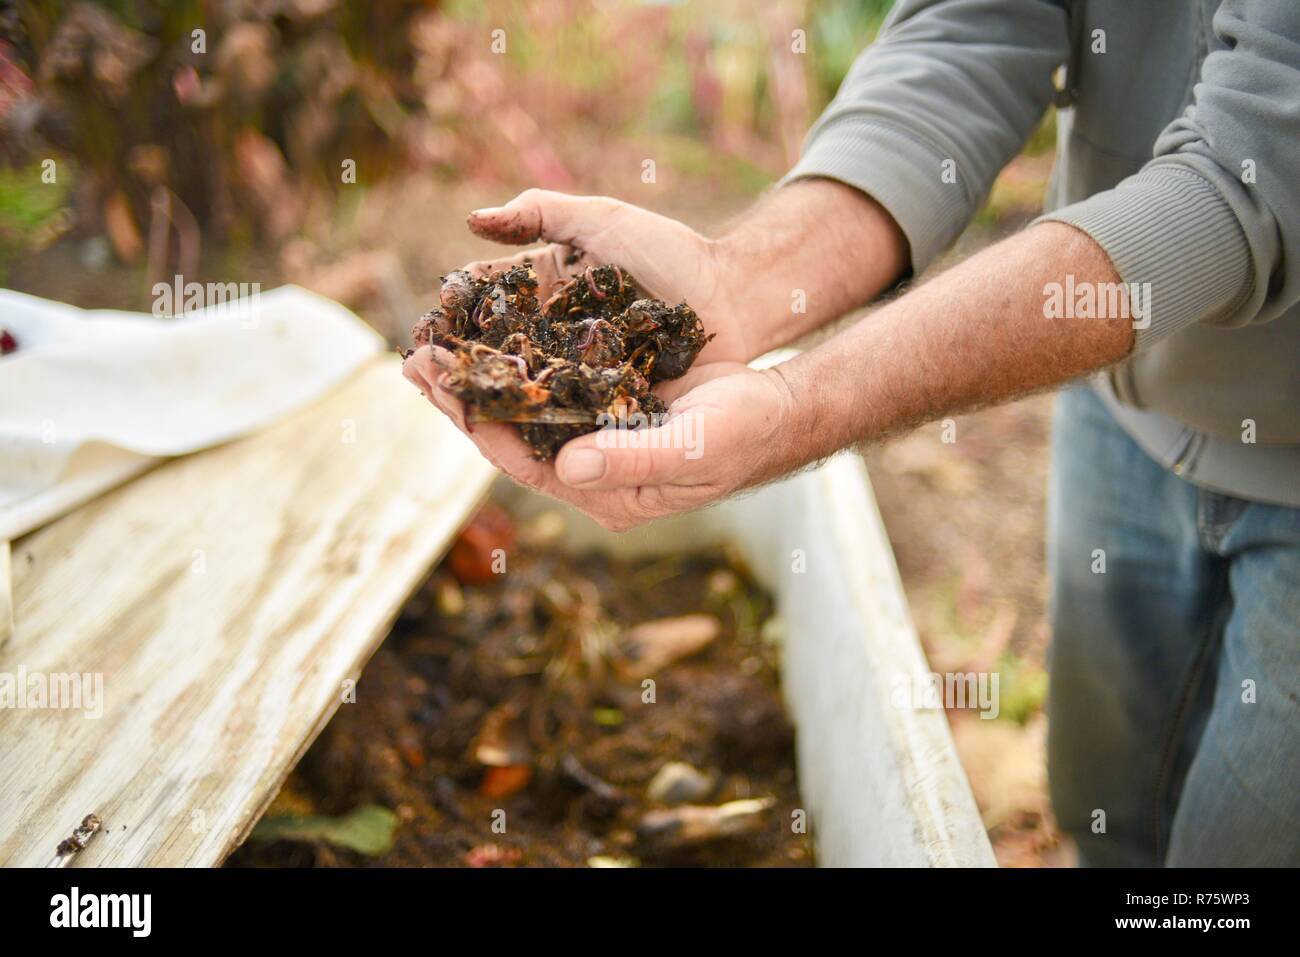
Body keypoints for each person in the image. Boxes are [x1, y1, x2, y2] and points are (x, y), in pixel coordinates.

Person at [404, 0, 1300, 866]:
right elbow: (975, 29)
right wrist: (737, 281)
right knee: (1106, 797)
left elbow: (1248, 177)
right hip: (1123, 400)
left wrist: (802, 404)